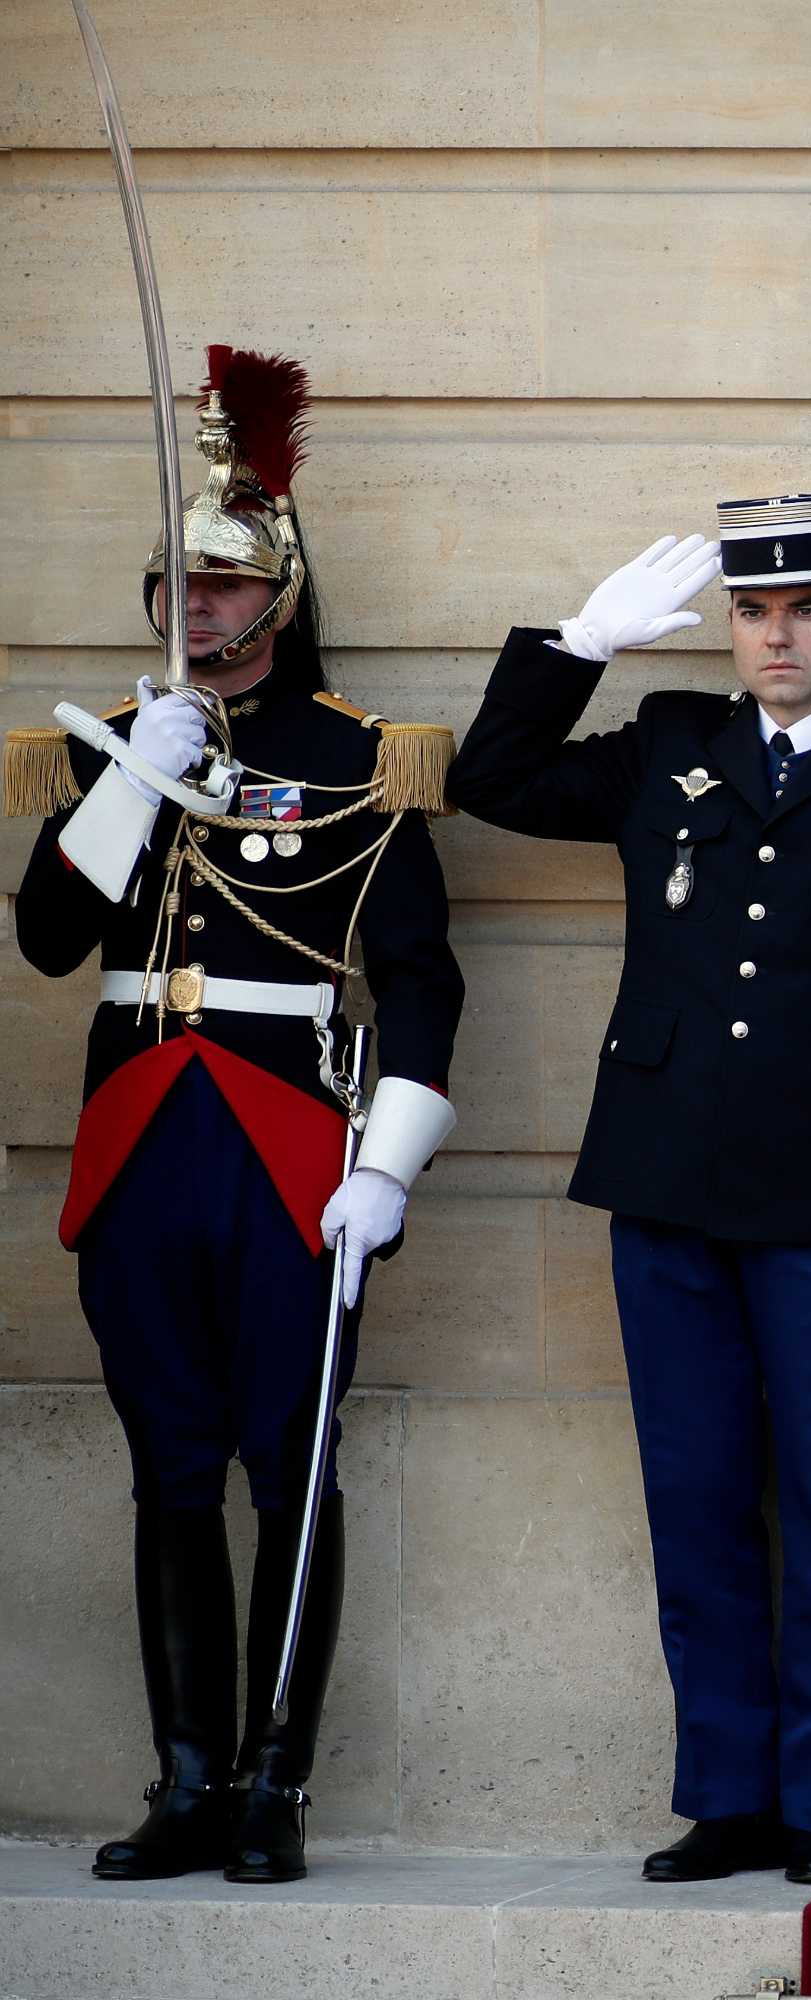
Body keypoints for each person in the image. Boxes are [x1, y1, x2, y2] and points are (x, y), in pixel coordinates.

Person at [445, 494, 811, 1886]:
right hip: (670, 1183)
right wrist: (577, 642)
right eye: (753, 612)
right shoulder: (671, 748)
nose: (776, 635)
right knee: (696, 1503)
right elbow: (492, 783)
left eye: (804, 610)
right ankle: (728, 1797)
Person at [6, 347, 464, 1886]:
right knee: (169, 1463)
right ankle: (186, 1780)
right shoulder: (106, 749)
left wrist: (385, 1168)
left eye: (221, 587)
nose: (193, 613)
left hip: (285, 1144)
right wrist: (136, 779)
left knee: (292, 1463)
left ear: (278, 595)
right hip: (142, 1135)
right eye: (176, 586)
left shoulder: (356, 756)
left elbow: (426, 983)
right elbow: (52, 942)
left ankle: (275, 1781)